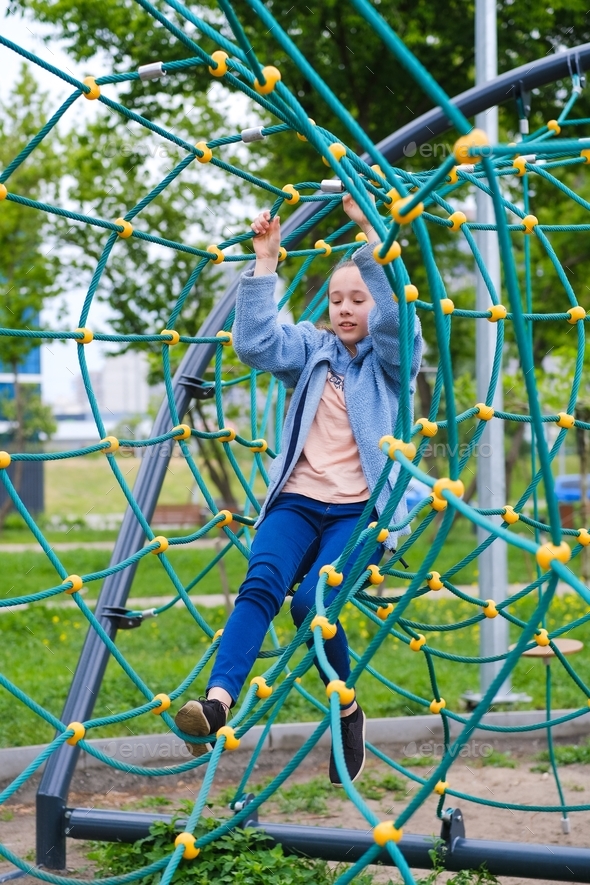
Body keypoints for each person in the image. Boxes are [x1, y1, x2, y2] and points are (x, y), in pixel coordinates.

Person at [175, 194, 423, 785]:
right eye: (337, 299)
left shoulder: (392, 368)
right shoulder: (313, 351)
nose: (345, 309)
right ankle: (217, 702)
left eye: (358, 298)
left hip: (359, 513)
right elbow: (256, 344)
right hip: (297, 502)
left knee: (312, 604)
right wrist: (265, 262)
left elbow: (399, 327)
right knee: (260, 584)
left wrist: (372, 238)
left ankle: (347, 708)